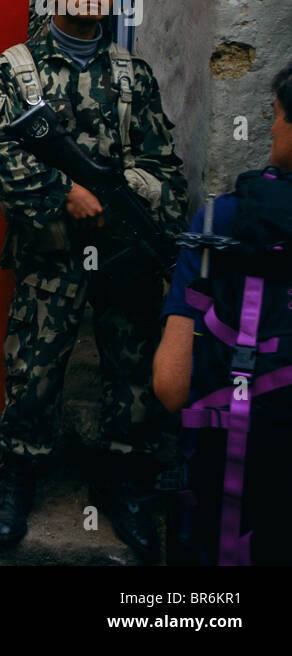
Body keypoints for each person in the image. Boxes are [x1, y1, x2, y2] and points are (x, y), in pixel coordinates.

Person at [0, 0, 188, 562]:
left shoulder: (133, 73)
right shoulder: (17, 69)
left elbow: (166, 167)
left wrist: (128, 194)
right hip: (52, 246)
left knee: (133, 371)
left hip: (121, 252)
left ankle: (125, 481)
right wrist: (64, 191)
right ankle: (19, 476)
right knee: (34, 369)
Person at [153, 61, 292, 565]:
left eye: (277, 115)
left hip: (233, 503)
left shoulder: (225, 220)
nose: (272, 127)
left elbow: (171, 387)